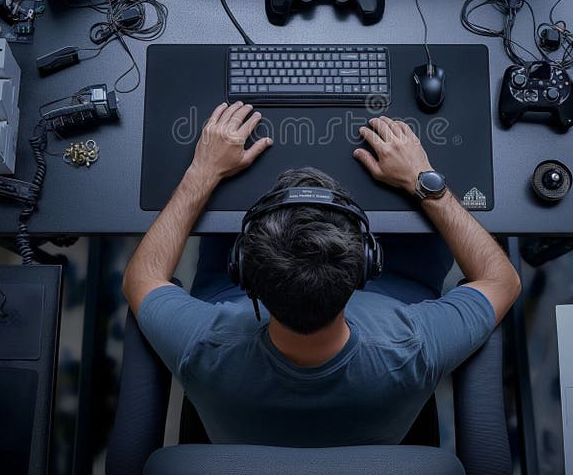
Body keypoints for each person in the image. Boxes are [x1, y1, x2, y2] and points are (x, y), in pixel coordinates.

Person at [123, 101, 521, 446]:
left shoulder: (204, 347)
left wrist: (202, 173)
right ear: (367, 265)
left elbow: (142, 278)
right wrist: (422, 182)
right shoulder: (411, 347)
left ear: (243, 270)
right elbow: (502, 279)